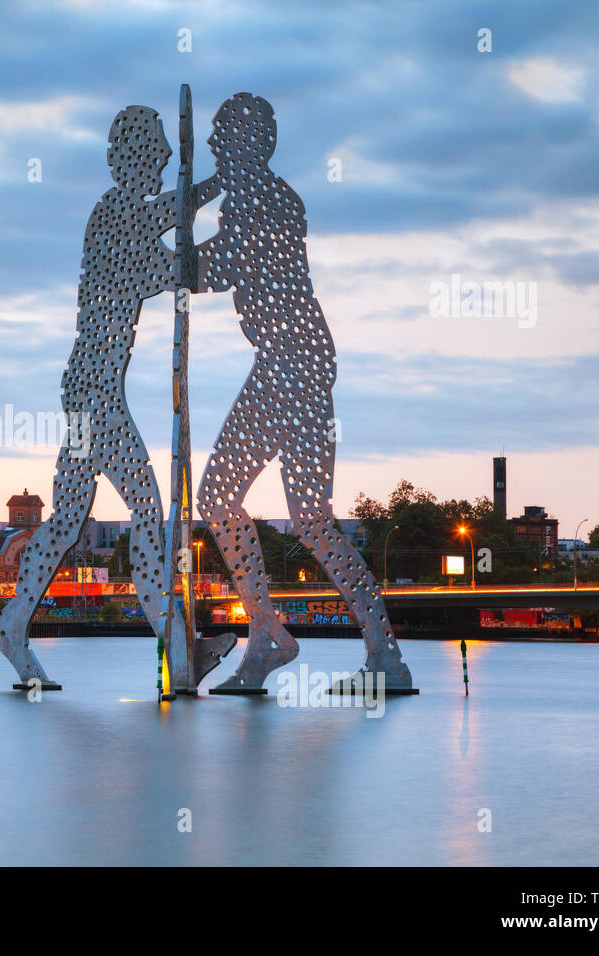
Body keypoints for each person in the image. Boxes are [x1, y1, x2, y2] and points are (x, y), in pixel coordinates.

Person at [195, 94, 413, 691]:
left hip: (290, 364)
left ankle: (269, 633)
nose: (212, 147)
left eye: (221, 137)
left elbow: (209, 269)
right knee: (312, 520)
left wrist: (154, 245)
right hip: (303, 361)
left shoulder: (261, 199)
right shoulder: (259, 196)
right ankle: (380, 655)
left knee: (219, 498)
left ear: (246, 144)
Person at [0, 106, 209, 686]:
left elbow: (167, 215)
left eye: (167, 149)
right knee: (144, 514)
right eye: (155, 149)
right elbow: (156, 266)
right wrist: (201, 256)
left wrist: (209, 187)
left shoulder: (126, 212)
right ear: (130, 158)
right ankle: (178, 644)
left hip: (91, 389)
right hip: (94, 396)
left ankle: (12, 624)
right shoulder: (111, 215)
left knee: (66, 521)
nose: (164, 158)